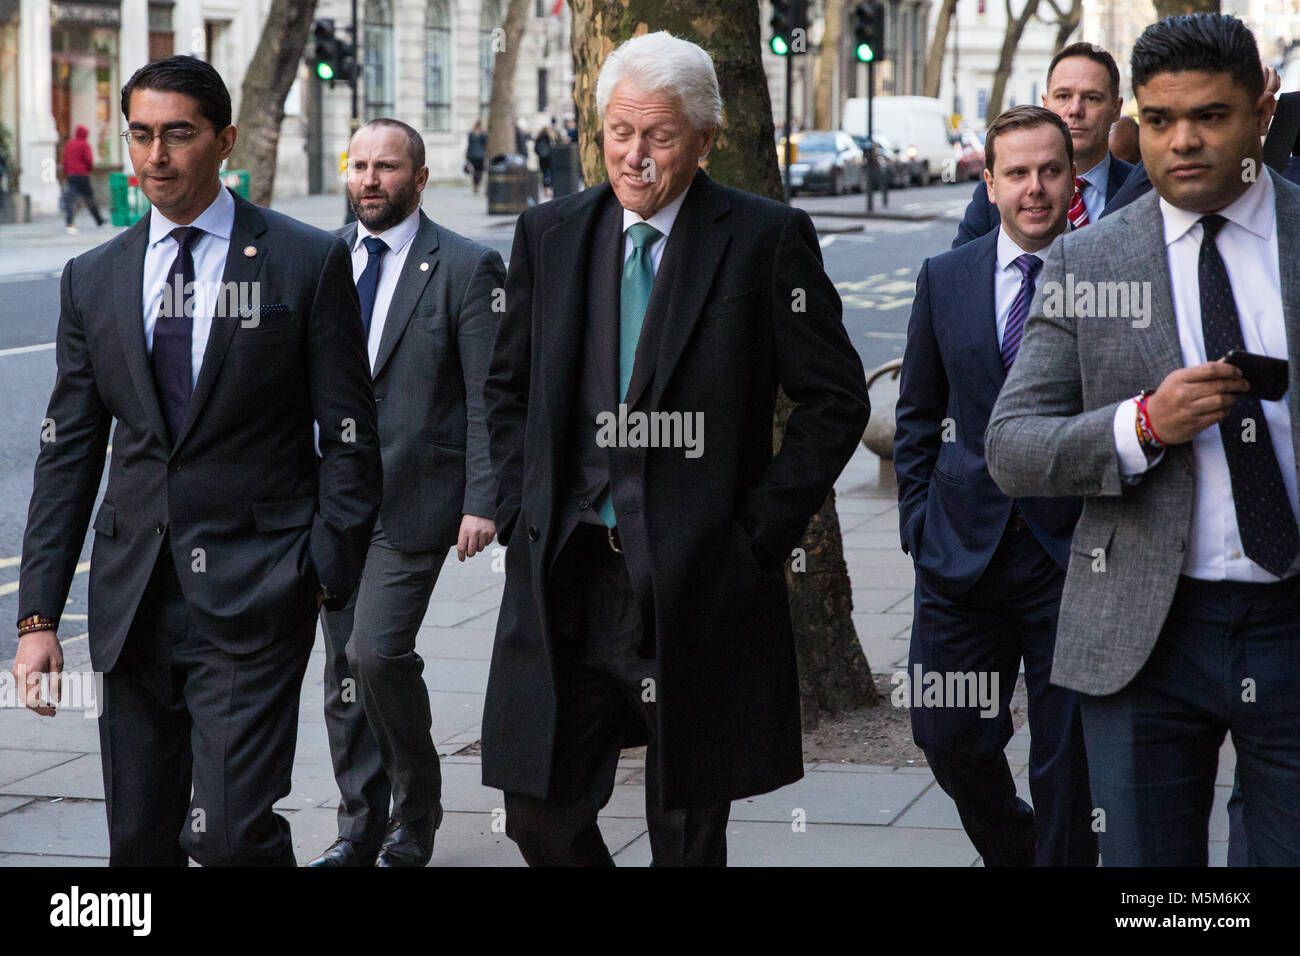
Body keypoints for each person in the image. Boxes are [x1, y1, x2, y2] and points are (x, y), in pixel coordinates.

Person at [482, 31, 871, 867]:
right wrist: (521, 505)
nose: (636, 154)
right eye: (621, 131)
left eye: (660, 135)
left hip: (695, 578)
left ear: (705, 138)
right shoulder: (549, 232)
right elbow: (507, 388)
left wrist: (756, 536)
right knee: (537, 813)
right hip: (569, 575)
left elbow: (835, 401)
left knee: (687, 830)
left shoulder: (766, 238)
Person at [10, 55, 381, 866]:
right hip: (131, 604)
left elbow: (351, 436)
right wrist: (37, 616)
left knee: (234, 834)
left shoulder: (302, 261)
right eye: (140, 135)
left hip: (258, 591)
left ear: (224, 141)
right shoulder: (94, 278)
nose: (156, 157)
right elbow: (67, 455)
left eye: (178, 135)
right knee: (139, 843)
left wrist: (322, 570)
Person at [987, 13, 1300, 866]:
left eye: (1212, 116)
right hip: (1145, 634)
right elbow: (1012, 446)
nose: (1184, 142)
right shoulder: (1090, 262)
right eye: (1159, 122)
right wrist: (1140, 426)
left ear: (1262, 109)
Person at [895, 105, 1096, 867]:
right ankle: (1017, 853)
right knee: (947, 737)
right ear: (989, 181)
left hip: (1072, 559)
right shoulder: (944, 278)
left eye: (1050, 170)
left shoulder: (1111, 276)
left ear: (1073, 178)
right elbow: (916, 414)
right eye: (1017, 173)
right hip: (960, 556)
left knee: (1068, 767)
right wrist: (919, 521)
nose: (1035, 188)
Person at [307, 118, 505, 868]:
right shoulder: (318, 259)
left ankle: (415, 810)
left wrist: (483, 498)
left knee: (376, 653)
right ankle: (360, 828)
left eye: (386, 167)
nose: (369, 180)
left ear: (419, 179)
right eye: (358, 165)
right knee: (341, 673)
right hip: (329, 503)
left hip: (414, 499)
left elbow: (491, 396)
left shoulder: (465, 264)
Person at [952, 42, 1133, 248]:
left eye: (1091, 98)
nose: (1075, 110)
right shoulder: (992, 198)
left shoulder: (1142, 192)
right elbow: (963, 271)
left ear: (1116, 109)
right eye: (1063, 96)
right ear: (1046, 104)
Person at [62, 124, 104, 233]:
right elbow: (88, 159)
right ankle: (99, 220)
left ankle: (69, 222)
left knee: (71, 200)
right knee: (89, 198)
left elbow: (65, 160)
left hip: (71, 175)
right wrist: (88, 169)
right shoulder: (84, 145)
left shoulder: (69, 144)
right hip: (82, 175)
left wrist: (66, 173)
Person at [534, 120, 555, 197]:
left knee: (544, 174)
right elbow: (553, 148)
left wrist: (540, 154)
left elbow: (535, 149)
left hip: (542, 160)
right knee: (548, 174)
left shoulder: (538, 138)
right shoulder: (549, 138)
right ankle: (548, 189)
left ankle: (546, 190)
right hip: (549, 160)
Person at [466, 119, 487, 193]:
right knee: (480, 171)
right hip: (480, 156)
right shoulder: (483, 134)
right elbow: (485, 144)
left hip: (471, 155)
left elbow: (469, 145)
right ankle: (477, 184)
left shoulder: (471, 133)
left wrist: (467, 155)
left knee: (474, 172)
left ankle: (475, 184)